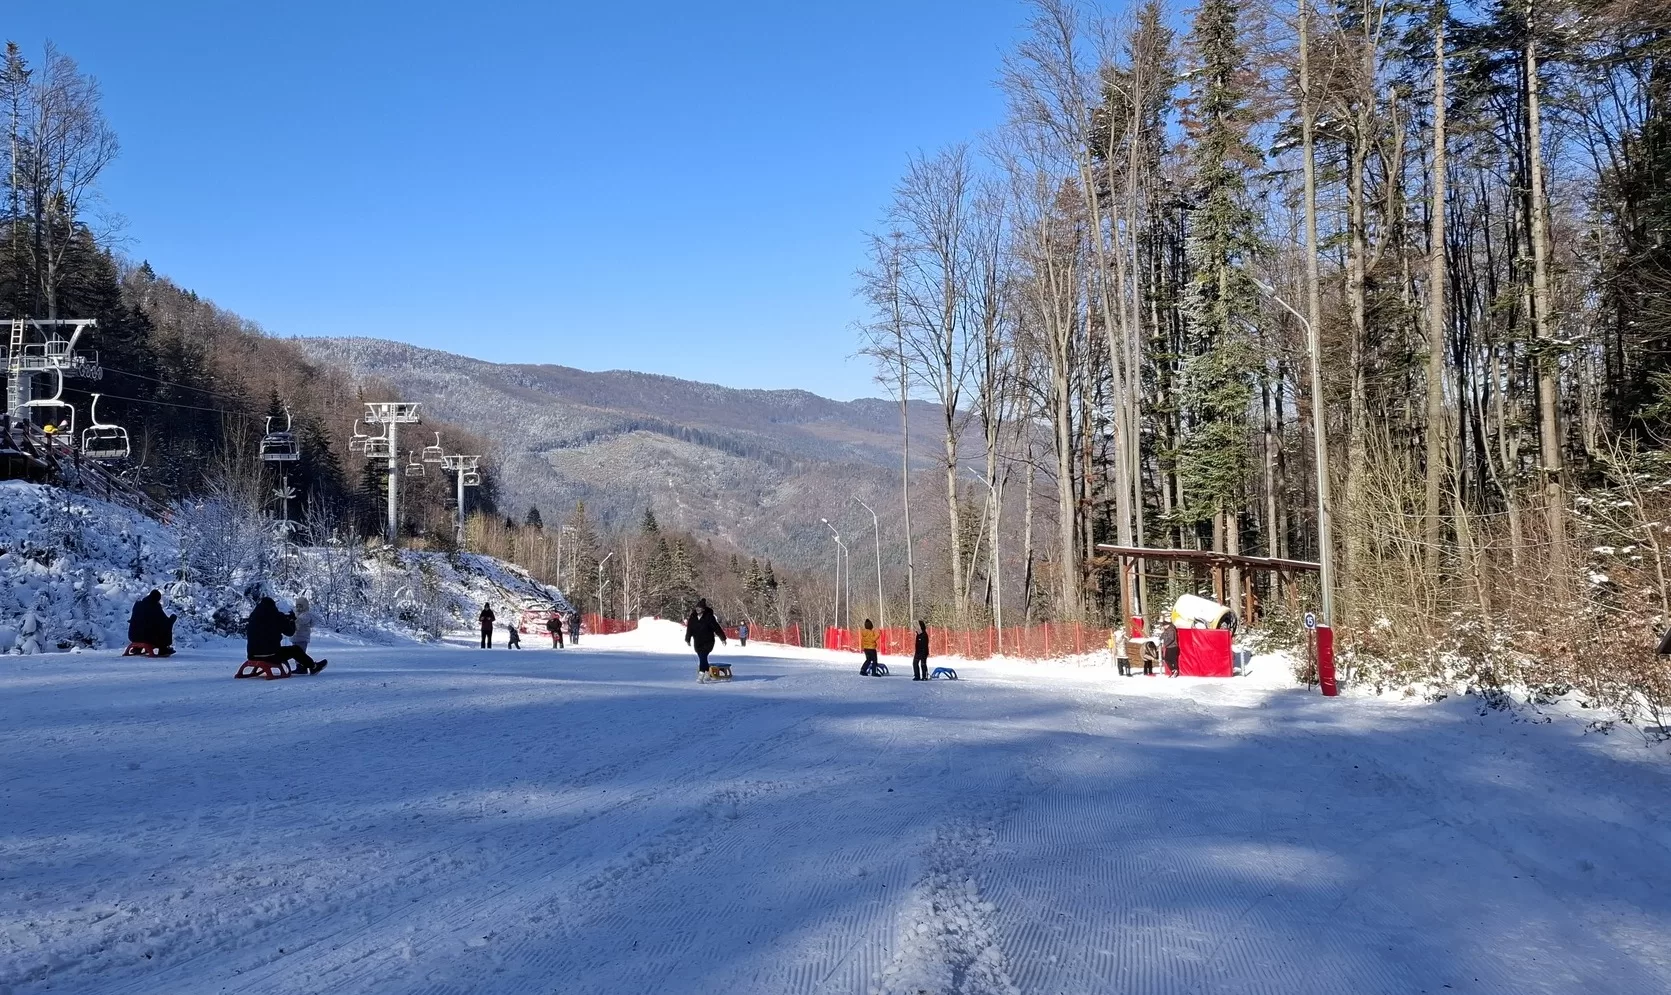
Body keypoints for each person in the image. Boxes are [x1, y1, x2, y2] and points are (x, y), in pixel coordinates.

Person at [246, 596, 326, 674]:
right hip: (272, 655)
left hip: (252, 655)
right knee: (295, 649)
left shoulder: (253, 618)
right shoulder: (276, 616)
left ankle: (304, 667)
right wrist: (291, 620)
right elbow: (290, 632)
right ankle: (313, 666)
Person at [684, 598, 726, 680]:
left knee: (703, 656)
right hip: (698, 641)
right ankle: (707, 673)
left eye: (699, 608)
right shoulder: (693, 618)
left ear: (703, 609)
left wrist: (722, 638)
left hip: (708, 641)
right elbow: (689, 629)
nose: (697, 610)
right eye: (697, 608)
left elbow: (717, 628)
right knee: (702, 657)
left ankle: (701, 674)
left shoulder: (709, 617)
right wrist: (688, 639)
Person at [127, 589, 178, 656]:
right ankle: (163, 649)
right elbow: (164, 620)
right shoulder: (155, 606)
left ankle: (137, 649)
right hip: (148, 638)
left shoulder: (137, 605)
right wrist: (172, 618)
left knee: (142, 626)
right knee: (167, 626)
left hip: (133, 636)